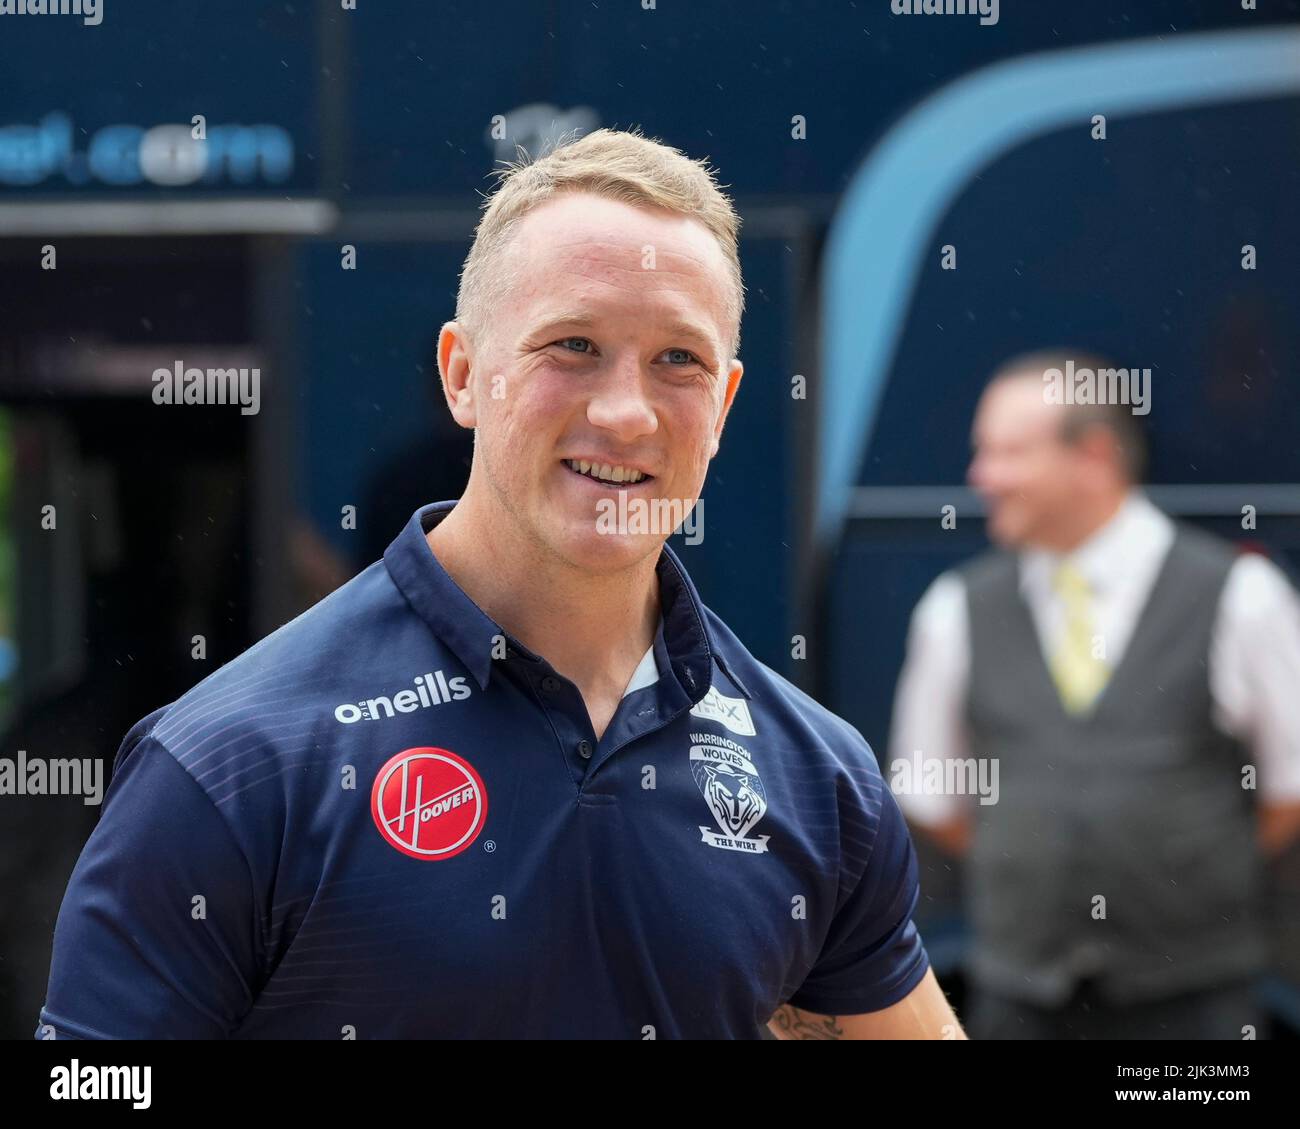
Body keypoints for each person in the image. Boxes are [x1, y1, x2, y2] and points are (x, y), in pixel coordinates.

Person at [37, 128, 961, 1040]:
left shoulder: (819, 778)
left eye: (679, 359)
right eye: (573, 345)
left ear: (721, 406)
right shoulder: (231, 764)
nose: (627, 411)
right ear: (463, 374)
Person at [889, 350, 1300, 1039]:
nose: (980, 477)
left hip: (1196, 1005)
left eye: (1008, 452)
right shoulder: (955, 608)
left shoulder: (1240, 595)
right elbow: (929, 793)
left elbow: (1289, 788)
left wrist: (1189, 866)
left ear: (1096, 455)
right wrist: (1035, 859)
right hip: (1020, 999)